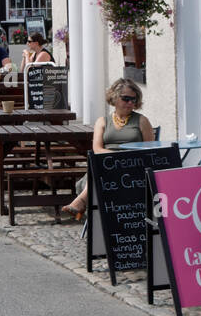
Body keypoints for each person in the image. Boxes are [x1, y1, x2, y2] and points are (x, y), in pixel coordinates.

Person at [61, 78, 155, 219]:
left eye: (133, 100)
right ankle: (83, 204)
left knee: (100, 169)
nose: (130, 103)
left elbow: (149, 149)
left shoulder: (142, 121)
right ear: (115, 98)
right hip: (107, 163)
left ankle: (80, 202)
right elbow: (97, 149)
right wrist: (115, 159)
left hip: (132, 167)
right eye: (126, 99)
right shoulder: (103, 121)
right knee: (101, 166)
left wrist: (124, 160)